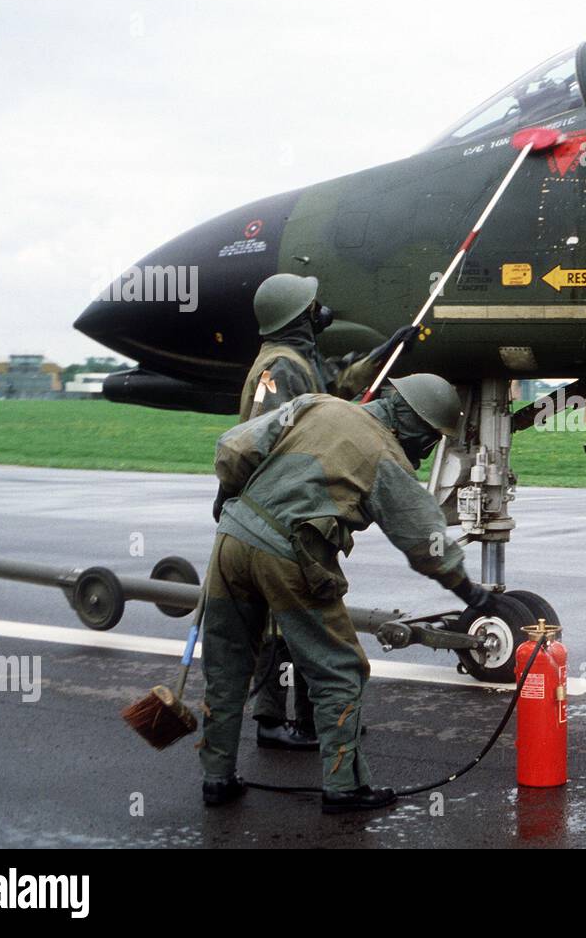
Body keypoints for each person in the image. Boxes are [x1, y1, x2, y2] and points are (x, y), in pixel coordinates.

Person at [200, 376, 493, 813]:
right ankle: (344, 788)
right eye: (431, 437)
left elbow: (235, 448)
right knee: (340, 670)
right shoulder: (384, 455)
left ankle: (217, 779)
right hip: (289, 555)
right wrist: (471, 593)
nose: (428, 448)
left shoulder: (318, 404)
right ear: (413, 423)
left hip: (231, 540)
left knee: (227, 663)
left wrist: (226, 499)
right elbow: (424, 540)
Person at [222, 272, 417, 753]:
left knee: (302, 614)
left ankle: (317, 720)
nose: (321, 311)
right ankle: (272, 720)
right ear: (298, 314)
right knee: (285, 620)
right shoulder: (280, 368)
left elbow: (335, 388)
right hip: (281, 510)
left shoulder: (298, 361)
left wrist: (383, 354)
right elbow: (268, 433)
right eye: (313, 305)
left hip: (290, 506)